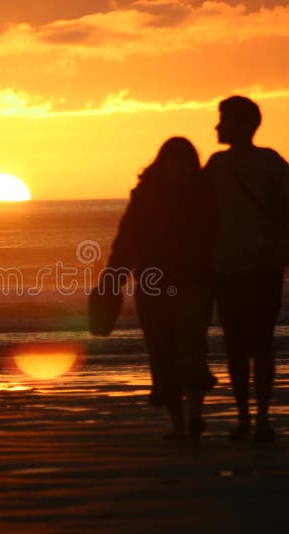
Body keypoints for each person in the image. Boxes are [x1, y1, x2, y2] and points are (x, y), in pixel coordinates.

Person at [204, 96, 289, 442]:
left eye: (223, 120)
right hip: (226, 269)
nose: (217, 126)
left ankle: (260, 417)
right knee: (235, 345)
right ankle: (245, 417)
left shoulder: (270, 163)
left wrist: (283, 255)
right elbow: (197, 216)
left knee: (260, 343)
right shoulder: (215, 165)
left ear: (244, 124)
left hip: (261, 269)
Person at [104, 137, 217, 439]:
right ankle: (178, 422)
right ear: (163, 163)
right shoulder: (146, 196)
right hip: (154, 287)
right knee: (163, 351)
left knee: (192, 349)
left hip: (194, 284)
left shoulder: (204, 193)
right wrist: (114, 277)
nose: (179, 168)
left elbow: (218, 239)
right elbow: (126, 240)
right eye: (174, 161)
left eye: (184, 162)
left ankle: (193, 417)